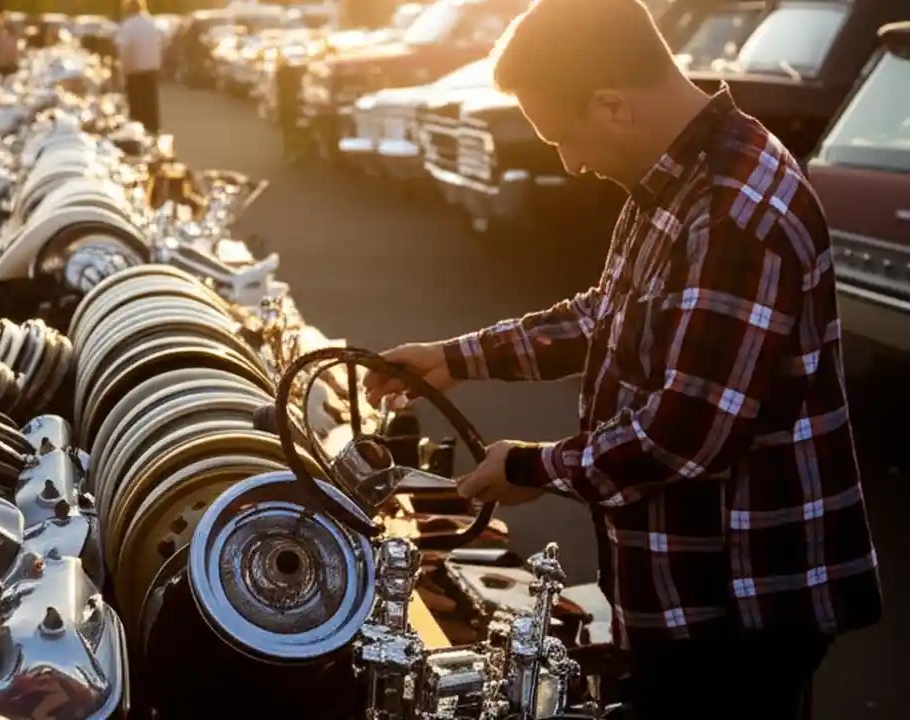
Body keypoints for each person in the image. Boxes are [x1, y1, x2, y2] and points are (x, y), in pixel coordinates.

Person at [361, 1, 882, 718]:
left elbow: (684, 434)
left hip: (739, 607)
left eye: (562, 137)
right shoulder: (680, 175)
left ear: (610, 105)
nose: (571, 163)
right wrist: (453, 359)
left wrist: (529, 467)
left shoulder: (735, 210)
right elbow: (607, 316)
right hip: (688, 597)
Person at [115, 0, 164, 133]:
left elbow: (125, 50)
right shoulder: (151, 23)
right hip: (152, 72)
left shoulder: (129, 26)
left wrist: (123, 72)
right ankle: (154, 134)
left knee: (137, 112)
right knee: (151, 109)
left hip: (135, 73)